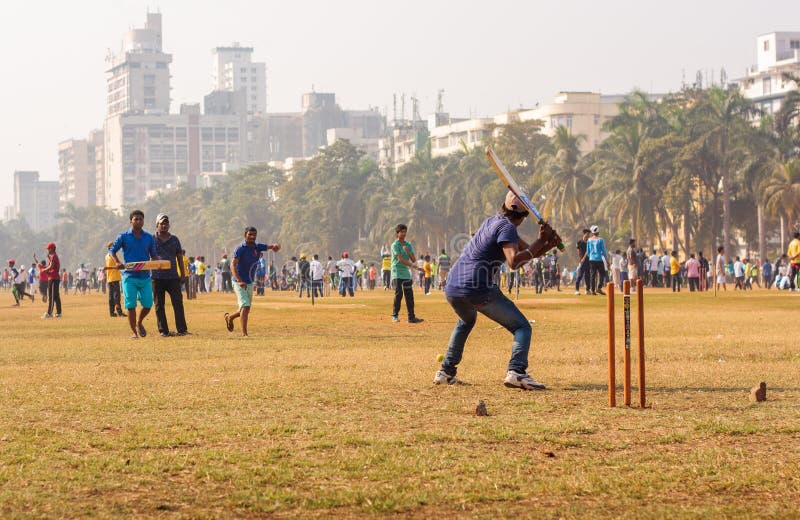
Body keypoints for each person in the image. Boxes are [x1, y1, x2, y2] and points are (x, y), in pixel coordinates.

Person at [434, 191, 561, 389]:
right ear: (524, 216)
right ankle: (517, 372)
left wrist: (547, 243)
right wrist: (541, 240)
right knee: (522, 327)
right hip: (477, 287)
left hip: (453, 286)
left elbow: (530, 253)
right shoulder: (507, 228)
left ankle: (446, 371)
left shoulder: (493, 222)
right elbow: (514, 262)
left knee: (466, 321)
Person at [109, 209, 159, 339]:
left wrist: (158, 262)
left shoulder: (149, 238)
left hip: (145, 277)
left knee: (148, 304)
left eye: (140, 219)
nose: (138, 221)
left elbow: (153, 255)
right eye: (135, 219)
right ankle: (134, 332)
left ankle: (139, 322)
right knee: (131, 306)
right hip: (129, 276)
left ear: (143, 221)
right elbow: (112, 251)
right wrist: (118, 262)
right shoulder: (123, 236)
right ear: (131, 221)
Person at [224, 227, 280, 337]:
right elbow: (232, 265)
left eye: (254, 235)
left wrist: (275, 246)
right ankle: (245, 334)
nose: (252, 237)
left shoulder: (257, 246)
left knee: (246, 308)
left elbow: (270, 246)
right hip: (238, 281)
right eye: (250, 234)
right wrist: (239, 281)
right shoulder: (240, 249)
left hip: (249, 282)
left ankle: (230, 317)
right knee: (245, 306)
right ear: (245, 235)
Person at [151, 213, 189, 337]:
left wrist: (182, 274)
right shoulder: (151, 239)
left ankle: (182, 329)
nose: (164, 225)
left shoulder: (174, 239)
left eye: (166, 223)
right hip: (157, 277)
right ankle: (163, 331)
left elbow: (179, 257)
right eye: (162, 223)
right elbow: (147, 256)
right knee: (159, 305)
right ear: (157, 225)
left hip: (173, 276)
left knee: (178, 303)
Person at [391, 224, 424, 323]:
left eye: (405, 231)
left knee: (409, 295)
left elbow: (414, 259)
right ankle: (395, 315)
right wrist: (414, 267)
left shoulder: (408, 245)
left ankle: (411, 317)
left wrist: (408, 251)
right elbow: (400, 259)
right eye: (402, 232)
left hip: (405, 273)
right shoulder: (395, 245)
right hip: (396, 271)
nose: (404, 234)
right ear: (398, 233)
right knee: (399, 294)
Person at [104, 241, 125, 317]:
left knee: (111, 297)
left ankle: (112, 312)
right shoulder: (112, 256)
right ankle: (119, 312)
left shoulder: (106, 256)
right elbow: (118, 265)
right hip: (114, 278)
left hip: (110, 278)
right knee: (116, 297)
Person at [586, 225, 608, 295]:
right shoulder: (600, 240)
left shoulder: (589, 240)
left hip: (592, 259)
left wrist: (591, 257)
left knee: (593, 275)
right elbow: (604, 251)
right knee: (602, 273)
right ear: (598, 232)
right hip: (599, 259)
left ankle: (592, 290)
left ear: (592, 232)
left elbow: (588, 251)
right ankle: (599, 288)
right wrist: (607, 260)